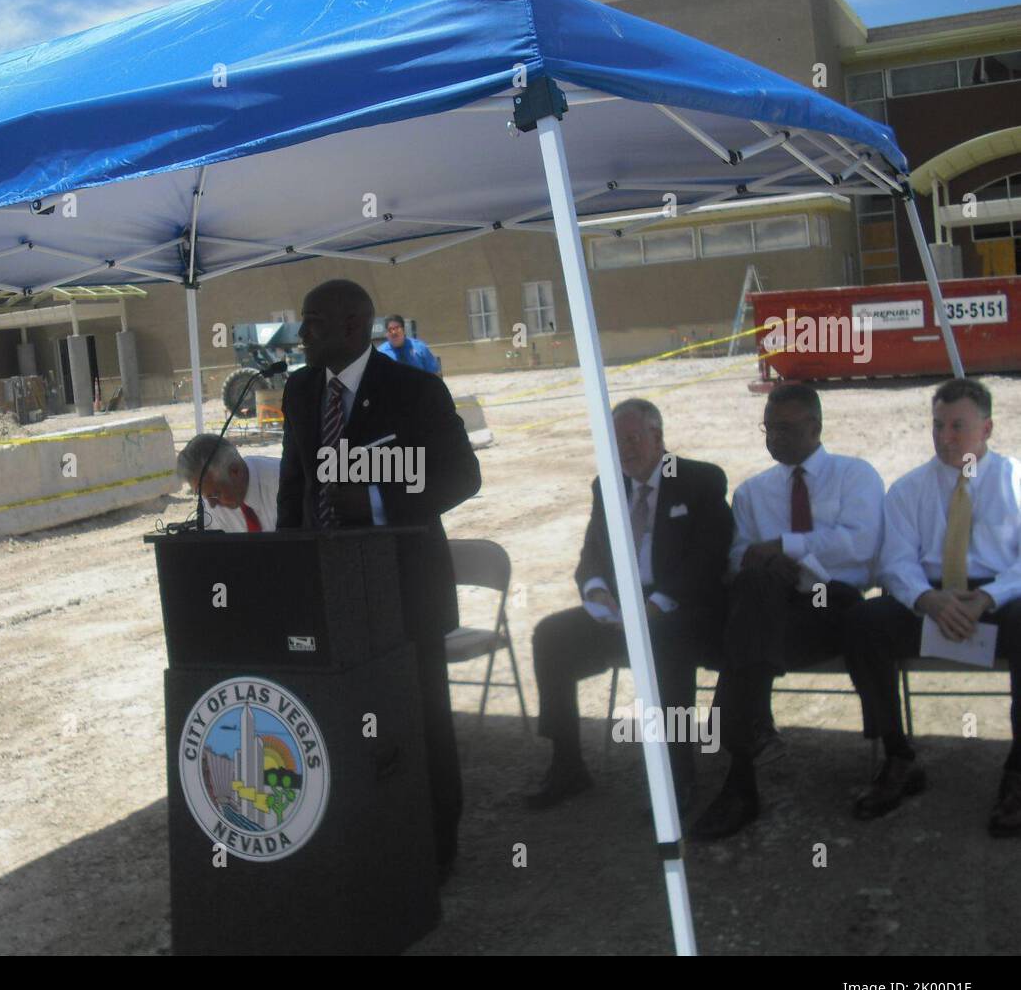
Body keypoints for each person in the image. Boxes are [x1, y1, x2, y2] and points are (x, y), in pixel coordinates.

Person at [277, 279, 481, 874]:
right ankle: (369, 841)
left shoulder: (415, 389)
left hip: (404, 590)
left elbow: (463, 477)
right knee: (343, 720)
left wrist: (378, 500)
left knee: (420, 720)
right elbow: (296, 482)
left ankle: (439, 845)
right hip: (327, 590)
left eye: (311, 322)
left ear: (350, 326)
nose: (301, 333)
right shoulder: (299, 388)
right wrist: (289, 562)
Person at [690, 382, 885, 840]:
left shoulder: (855, 475)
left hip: (832, 606)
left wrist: (787, 547)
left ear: (815, 427)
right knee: (757, 581)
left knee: (753, 609)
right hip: (773, 612)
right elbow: (736, 558)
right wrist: (767, 560)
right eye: (767, 428)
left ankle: (742, 741)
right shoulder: (753, 492)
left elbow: (861, 545)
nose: (773, 438)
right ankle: (743, 767)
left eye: (785, 428)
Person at [526, 399, 733, 811]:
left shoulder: (699, 479)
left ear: (657, 437)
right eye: (615, 441)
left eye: (633, 439)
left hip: (683, 611)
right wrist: (598, 591)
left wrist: (655, 606)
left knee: (663, 640)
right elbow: (592, 553)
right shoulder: (608, 486)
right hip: (623, 612)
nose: (624, 449)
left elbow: (709, 559)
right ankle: (568, 764)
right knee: (550, 635)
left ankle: (677, 776)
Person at [844, 378, 1021, 836]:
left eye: (958, 426)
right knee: (865, 621)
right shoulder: (908, 489)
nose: (944, 437)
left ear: (987, 429)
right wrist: (929, 599)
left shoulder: (1015, 481)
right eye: (937, 425)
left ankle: (1018, 769)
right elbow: (895, 562)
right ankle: (898, 756)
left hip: (998, 599)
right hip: (930, 597)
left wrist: (987, 597)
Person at [176, 434, 279, 532]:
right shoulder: (211, 501)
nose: (212, 505)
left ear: (235, 471)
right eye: (204, 496)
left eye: (216, 494)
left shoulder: (283, 483)